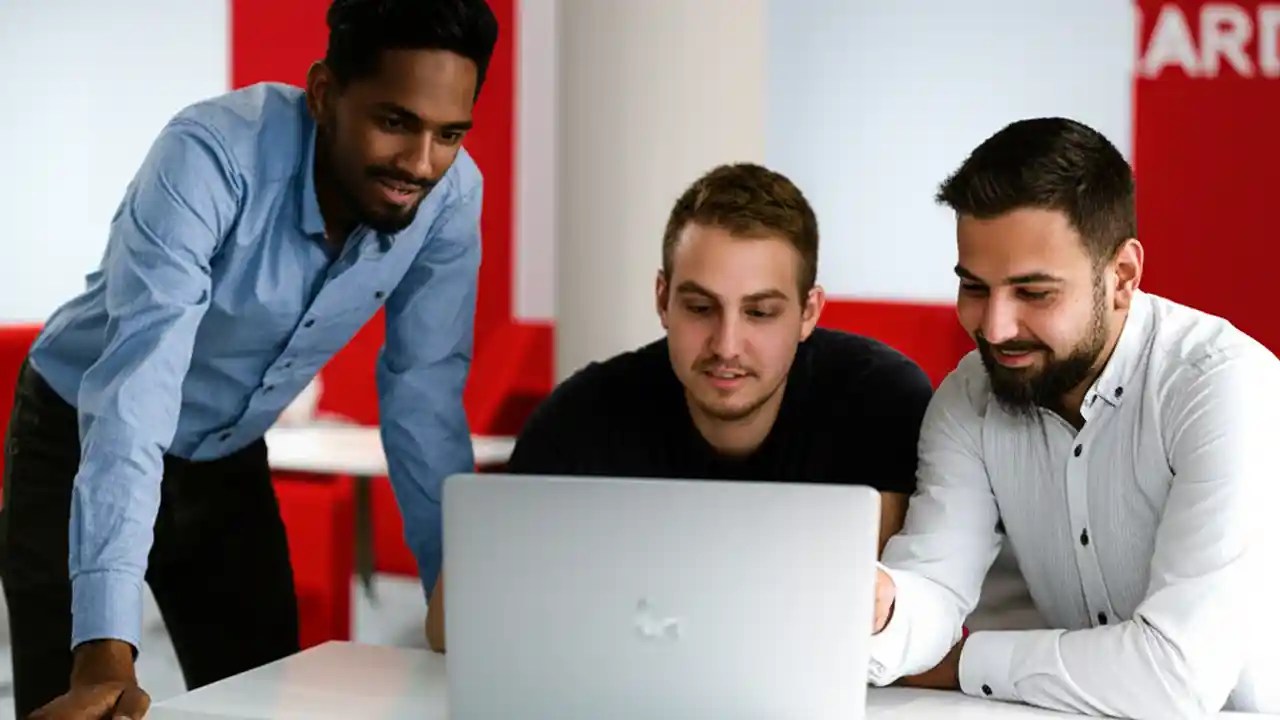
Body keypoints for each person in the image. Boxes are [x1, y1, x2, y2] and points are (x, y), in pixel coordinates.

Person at [1, 1, 499, 717]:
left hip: (227, 451)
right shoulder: (210, 155)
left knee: (266, 698)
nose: (421, 164)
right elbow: (137, 390)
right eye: (395, 122)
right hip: (80, 427)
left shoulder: (451, 198)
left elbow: (423, 393)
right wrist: (104, 647)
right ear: (325, 93)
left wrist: (460, 596)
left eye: (448, 134)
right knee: (77, 702)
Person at [426, 162, 936, 651]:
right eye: (699, 308)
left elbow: (927, 611)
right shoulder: (584, 413)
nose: (727, 344)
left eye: (759, 312)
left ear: (808, 312)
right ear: (662, 299)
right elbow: (450, 625)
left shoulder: (881, 401)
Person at [867, 117, 1280, 717]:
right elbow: (931, 587)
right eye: (975, 288)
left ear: (1122, 278)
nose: (995, 327)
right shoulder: (969, 396)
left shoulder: (1224, 387)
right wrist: (881, 606)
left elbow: (1175, 679)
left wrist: (966, 663)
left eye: (1034, 293)